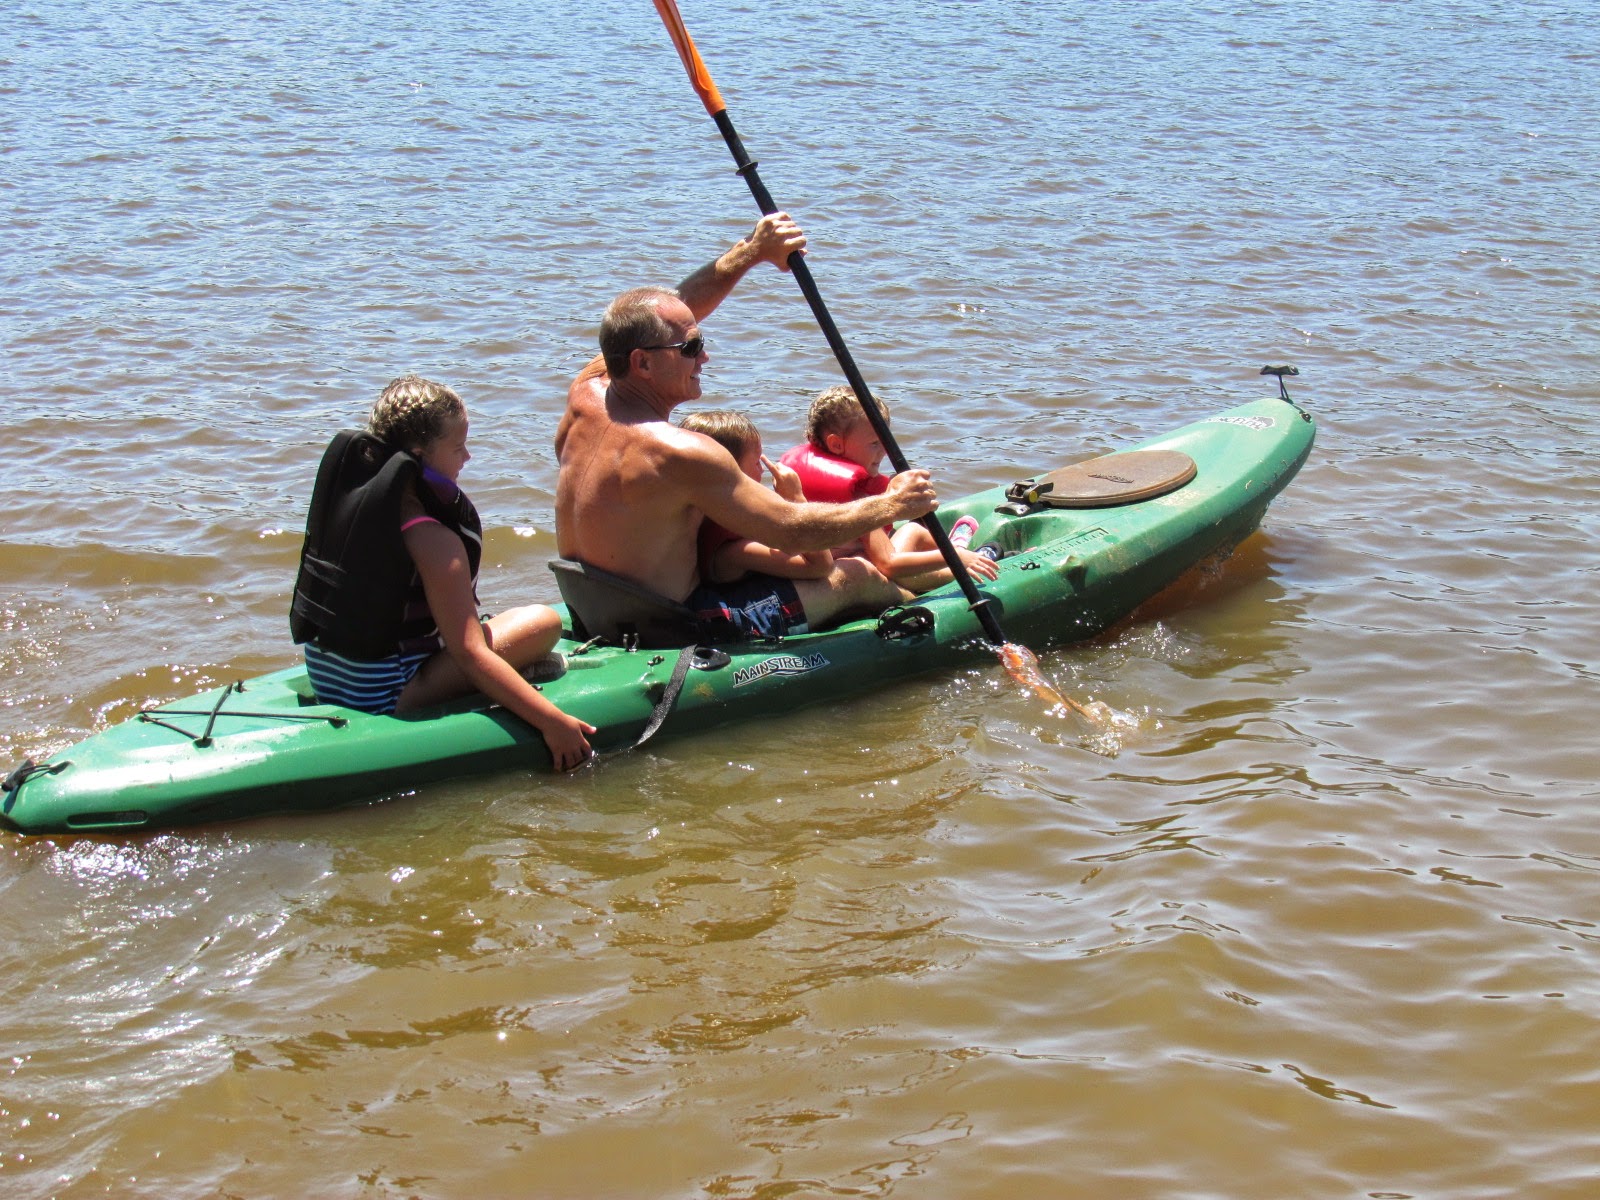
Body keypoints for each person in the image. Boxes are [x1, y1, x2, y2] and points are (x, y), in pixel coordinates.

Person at [554, 214, 940, 642]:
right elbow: (790, 527)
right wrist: (893, 504)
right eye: (693, 348)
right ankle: (931, 615)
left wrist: (753, 251)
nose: (705, 358)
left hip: (595, 607)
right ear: (642, 363)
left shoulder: (585, 394)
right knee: (857, 575)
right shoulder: (679, 452)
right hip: (674, 625)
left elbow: (670, 309)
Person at [292, 375, 595, 770]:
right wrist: (552, 722)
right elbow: (469, 653)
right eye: (458, 448)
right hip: (386, 695)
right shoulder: (433, 539)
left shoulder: (355, 509)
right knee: (543, 622)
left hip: (327, 677)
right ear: (420, 454)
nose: (466, 458)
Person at [780, 385, 1000, 594]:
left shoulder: (794, 482)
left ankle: (958, 549)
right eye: (875, 443)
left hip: (829, 571)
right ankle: (962, 558)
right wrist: (953, 557)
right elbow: (889, 563)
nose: (885, 451)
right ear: (836, 444)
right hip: (866, 574)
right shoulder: (858, 496)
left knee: (911, 532)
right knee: (912, 532)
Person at [676, 410, 832, 585]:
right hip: (743, 605)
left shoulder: (699, 515)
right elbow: (821, 566)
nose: (763, 470)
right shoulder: (736, 551)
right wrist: (796, 498)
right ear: (730, 471)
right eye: (757, 462)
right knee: (855, 570)